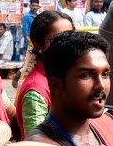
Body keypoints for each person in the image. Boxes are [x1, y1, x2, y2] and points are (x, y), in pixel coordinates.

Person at [13, 10, 74, 138]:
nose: (67, 44)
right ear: (38, 45)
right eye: (58, 39)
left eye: (70, 37)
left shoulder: (64, 75)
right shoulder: (35, 91)